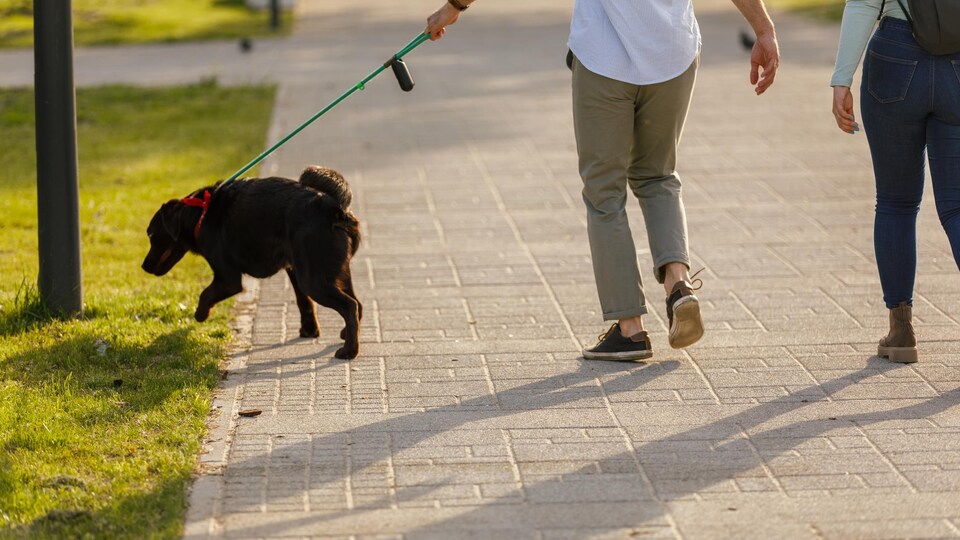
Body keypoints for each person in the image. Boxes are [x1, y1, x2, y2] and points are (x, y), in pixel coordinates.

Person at [426, 0, 780, 360]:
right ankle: (678, 282)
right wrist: (764, 29)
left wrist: (455, 6)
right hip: (673, 54)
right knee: (658, 175)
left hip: (604, 60)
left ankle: (630, 330)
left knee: (604, 194)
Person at [830, 0, 960, 364]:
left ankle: (901, 330)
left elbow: (865, 3)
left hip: (896, 57)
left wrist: (842, 79)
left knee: (896, 202)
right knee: (957, 204)